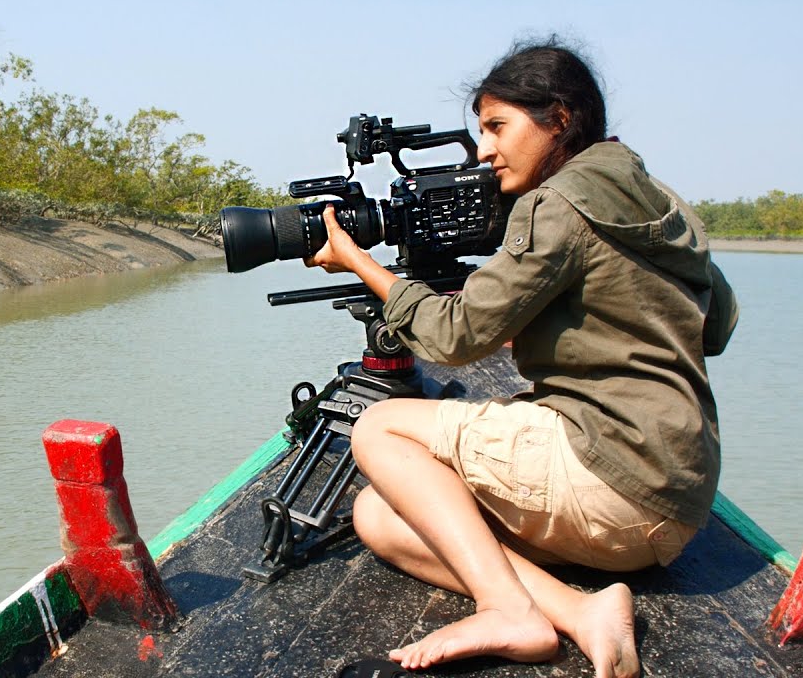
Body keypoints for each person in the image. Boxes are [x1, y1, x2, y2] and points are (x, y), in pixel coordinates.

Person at [304, 37, 739, 678]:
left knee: (380, 429)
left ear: (559, 118)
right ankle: (580, 612)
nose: (483, 150)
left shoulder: (556, 203)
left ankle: (506, 609)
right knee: (380, 514)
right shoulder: (658, 198)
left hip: (613, 477)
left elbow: (454, 337)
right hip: (674, 502)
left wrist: (360, 263)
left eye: (498, 126)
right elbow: (717, 324)